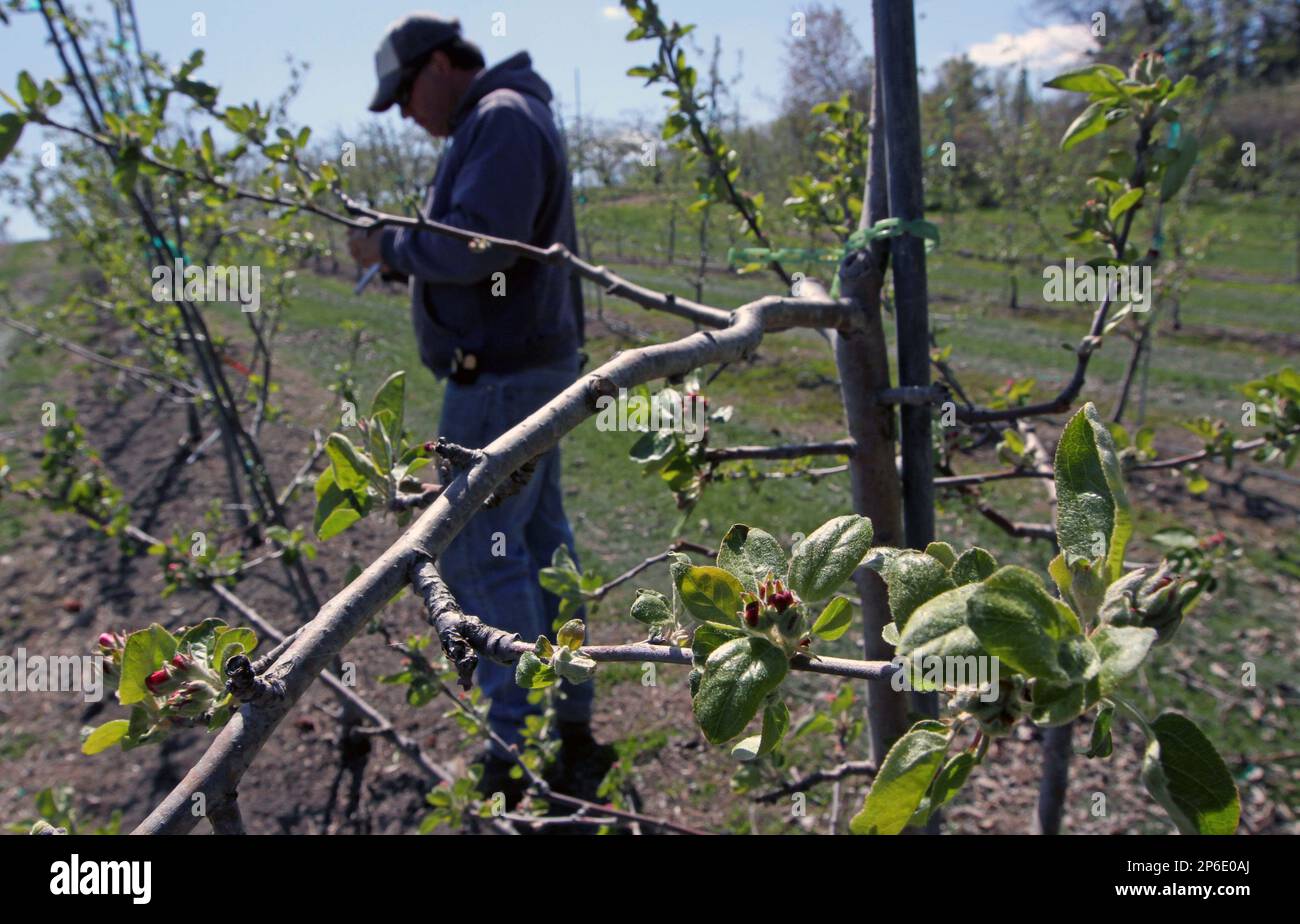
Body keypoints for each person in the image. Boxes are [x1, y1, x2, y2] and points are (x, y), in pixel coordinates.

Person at [348, 13, 611, 807]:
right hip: (523, 373)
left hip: (500, 383)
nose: (404, 114)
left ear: (436, 66)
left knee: (476, 555)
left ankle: (511, 748)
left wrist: (390, 248)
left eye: (402, 95)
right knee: (536, 544)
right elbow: (487, 248)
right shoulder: (504, 116)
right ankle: (568, 730)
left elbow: (479, 245)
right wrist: (410, 260)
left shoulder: (497, 118)